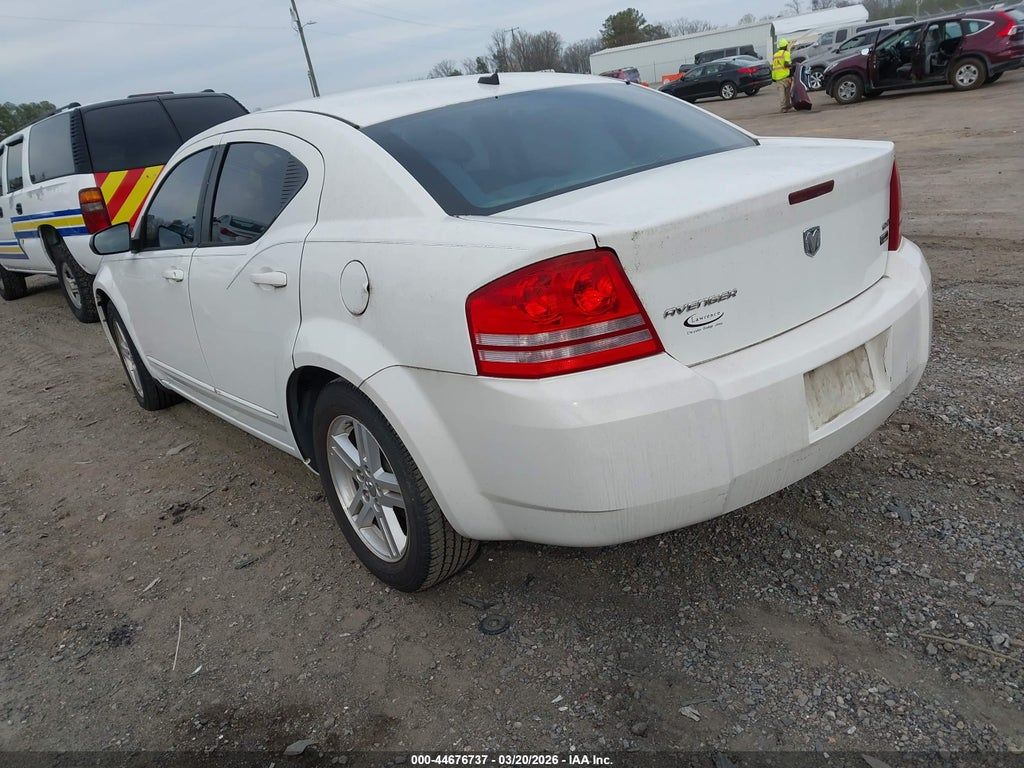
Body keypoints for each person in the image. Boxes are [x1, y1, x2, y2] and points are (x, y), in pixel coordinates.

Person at [772, 38, 794, 113]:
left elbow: (774, 66)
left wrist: (774, 77)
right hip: (785, 76)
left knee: (782, 93)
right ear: (785, 46)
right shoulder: (786, 53)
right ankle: (787, 105)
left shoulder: (775, 55)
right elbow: (786, 64)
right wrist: (792, 65)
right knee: (787, 92)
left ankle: (784, 107)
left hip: (777, 76)